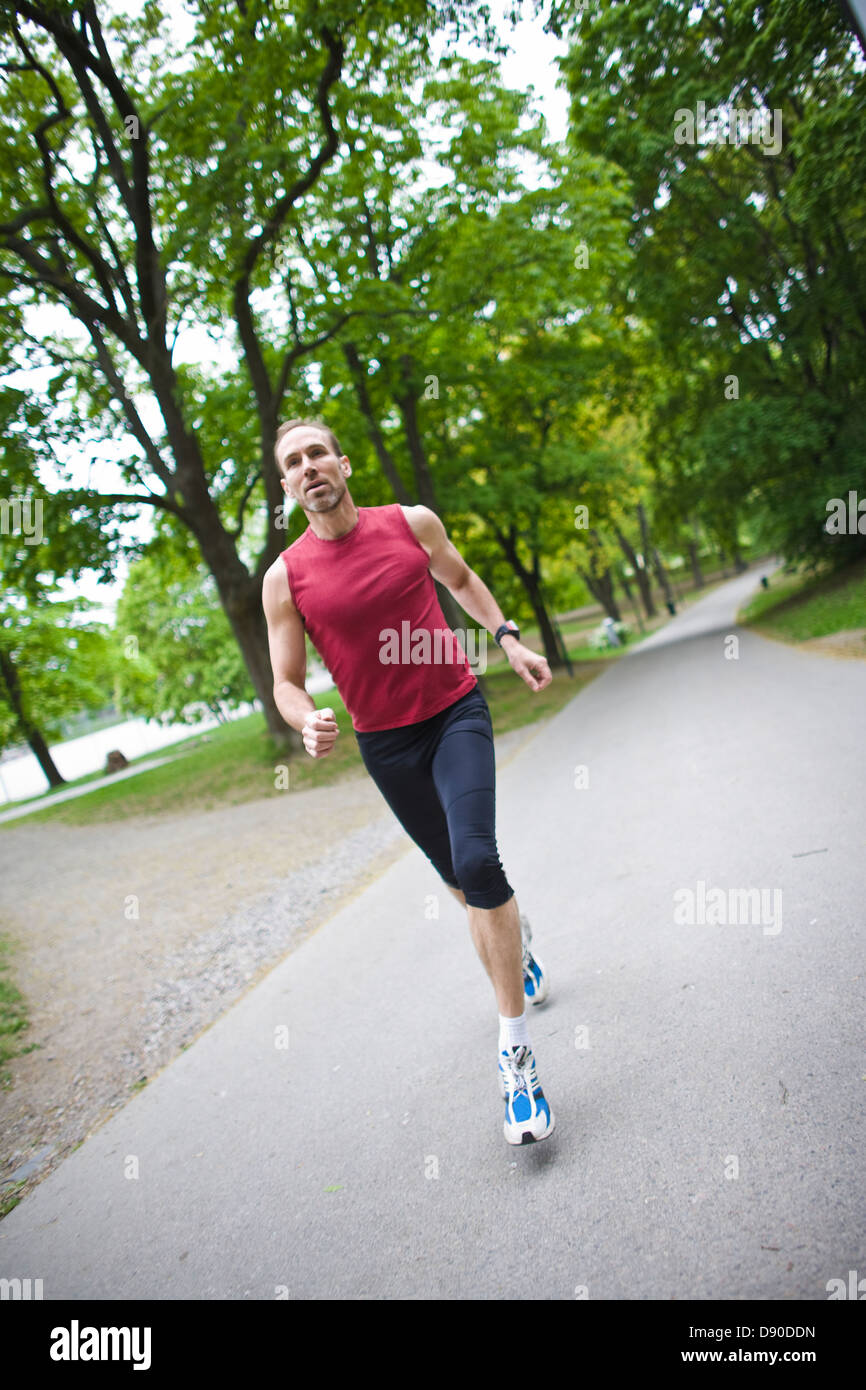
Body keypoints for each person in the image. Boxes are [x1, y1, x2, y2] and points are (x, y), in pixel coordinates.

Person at [262, 418, 556, 1145]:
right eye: (293, 462)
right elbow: (285, 682)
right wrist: (303, 721)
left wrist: (508, 639)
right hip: (386, 747)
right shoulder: (285, 577)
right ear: (287, 484)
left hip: (456, 710)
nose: (308, 467)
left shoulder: (410, 522)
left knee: (480, 862)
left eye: (317, 454)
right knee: (464, 886)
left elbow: (460, 579)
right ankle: (516, 943)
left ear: (344, 463)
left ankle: (515, 1056)